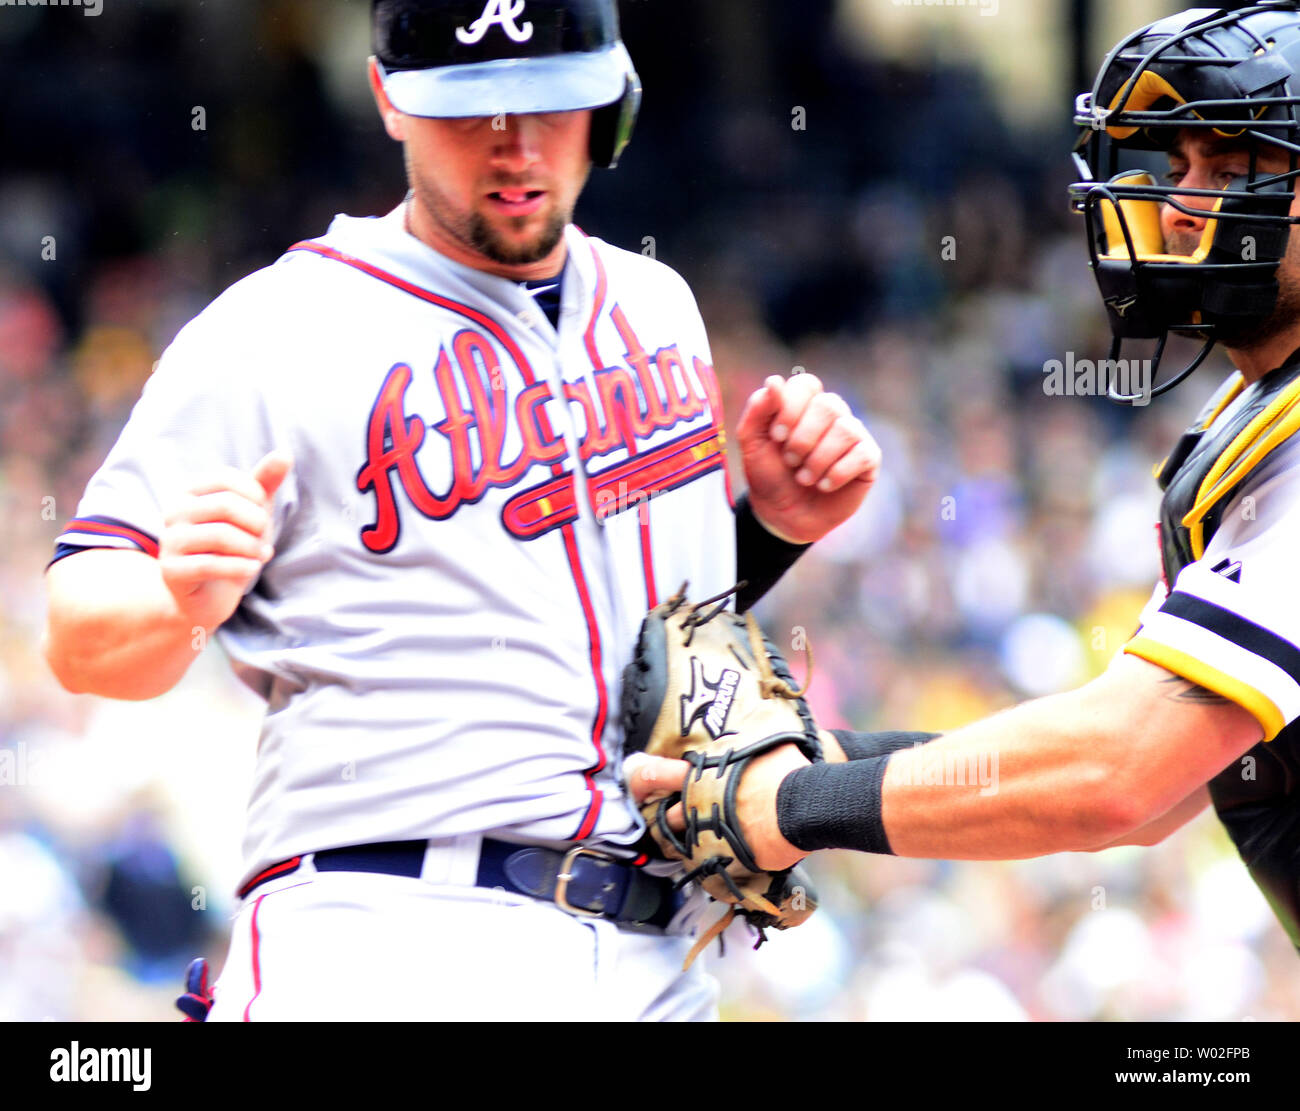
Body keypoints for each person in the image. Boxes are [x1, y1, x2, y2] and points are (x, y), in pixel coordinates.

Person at [41, 0, 881, 1021]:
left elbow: (655, 657)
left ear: (612, 102)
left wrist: (772, 524)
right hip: (391, 932)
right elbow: (83, 635)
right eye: (470, 109)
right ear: (388, 98)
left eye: (547, 105)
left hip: (659, 951)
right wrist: (176, 596)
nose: (512, 147)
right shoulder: (273, 330)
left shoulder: (659, 304)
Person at [629, 1, 1300, 954]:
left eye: (1234, 171)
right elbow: (1158, 783)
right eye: (1179, 167)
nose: (1184, 205)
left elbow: (1121, 771)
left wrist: (787, 799)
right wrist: (808, 764)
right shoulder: (1258, 422)